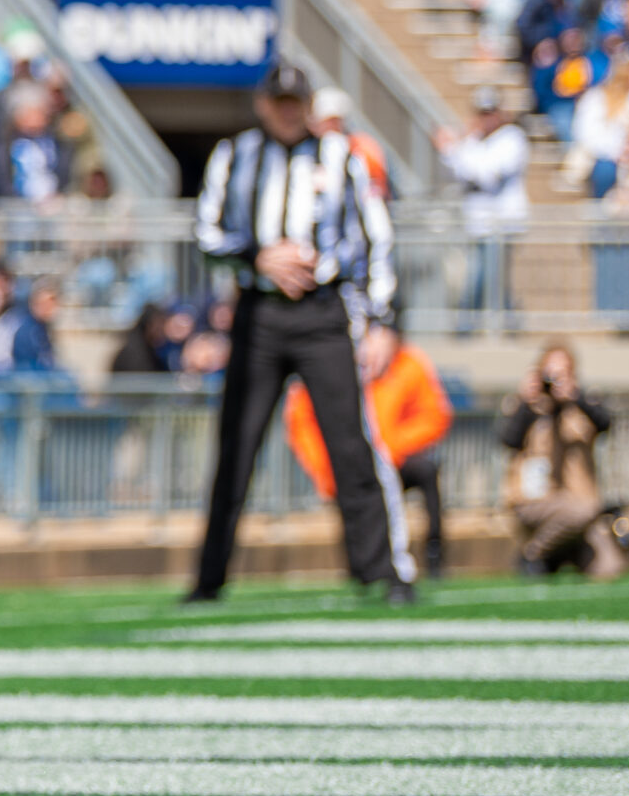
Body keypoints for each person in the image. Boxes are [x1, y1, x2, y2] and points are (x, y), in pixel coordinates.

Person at [189, 63, 414, 604]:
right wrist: (259, 257)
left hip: (322, 313)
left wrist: (383, 319)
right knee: (236, 447)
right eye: (279, 100)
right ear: (264, 104)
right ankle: (209, 578)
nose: (288, 110)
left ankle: (379, 572)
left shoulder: (342, 157)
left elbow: (376, 239)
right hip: (260, 315)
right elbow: (207, 232)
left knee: (349, 443)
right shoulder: (235, 154)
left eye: (297, 101)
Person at [285, 323, 452, 575]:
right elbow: (301, 422)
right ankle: (360, 565)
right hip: (350, 462)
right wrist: (324, 468)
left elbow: (435, 416)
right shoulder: (332, 363)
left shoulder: (410, 364)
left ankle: (433, 552)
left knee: (426, 471)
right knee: (351, 494)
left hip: (393, 459)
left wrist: (393, 446)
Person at [499, 341, 622, 580]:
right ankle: (534, 553)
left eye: (561, 374)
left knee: (609, 568)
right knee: (583, 510)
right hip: (537, 501)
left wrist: (574, 398)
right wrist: (528, 403)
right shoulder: (526, 406)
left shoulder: (583, 404)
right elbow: (509, 441)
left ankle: (551, 555)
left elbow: (605, 425)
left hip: (579, 503)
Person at [434, 88, 528, 322]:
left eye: (490, 113)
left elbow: (486, 175)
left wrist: (454, 148)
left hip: (502, 222)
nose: (486, 119)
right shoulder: (473, 140)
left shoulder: (512, 138)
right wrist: (455, 149)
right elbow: (453, 171)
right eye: (482, 113)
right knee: (488, 278)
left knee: (485, 276)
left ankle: (470, 326)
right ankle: (508, 323)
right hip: (477, 221)